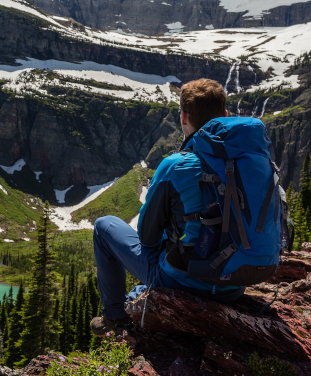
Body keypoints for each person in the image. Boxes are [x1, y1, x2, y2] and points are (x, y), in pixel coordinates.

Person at [90, 78, 250, 335]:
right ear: (226, 116)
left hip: (182, 282)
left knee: (103, 226)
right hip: (236, 285)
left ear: (183, 117)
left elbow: (147, 238)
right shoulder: (250, 162)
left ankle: (116, 316)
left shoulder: (175, 165)